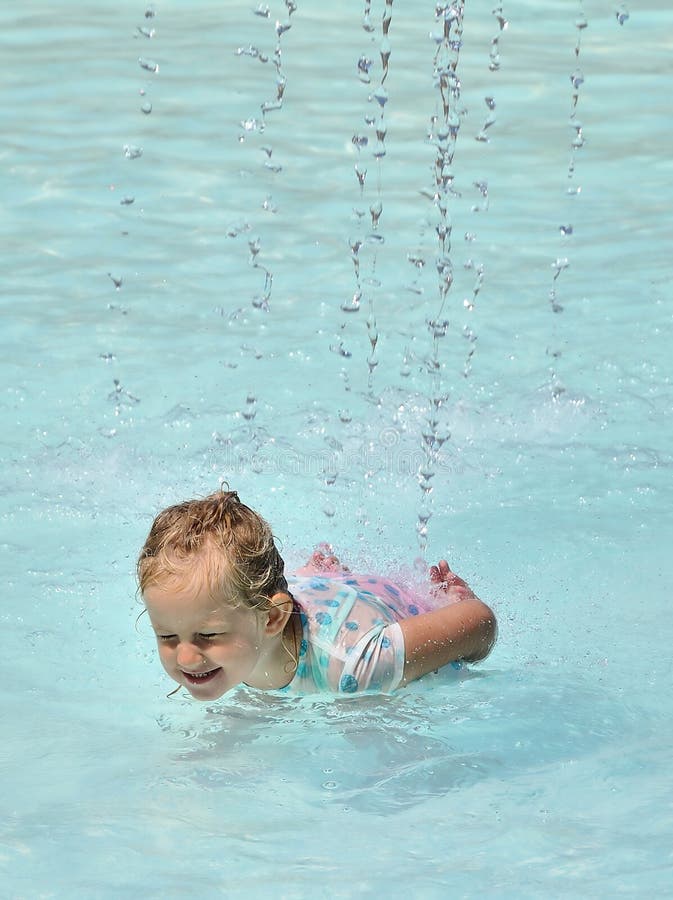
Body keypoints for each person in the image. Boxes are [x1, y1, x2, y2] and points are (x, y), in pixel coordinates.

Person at [137, 489, 497, 699]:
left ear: (273, 620)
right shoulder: (236, 633)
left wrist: (455, 605)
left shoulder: (356, 663)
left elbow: (481, 623)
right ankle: (319, 574)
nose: (184, 656)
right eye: (166, 635)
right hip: (306, 592)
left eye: (208, 636)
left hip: (364, 617)